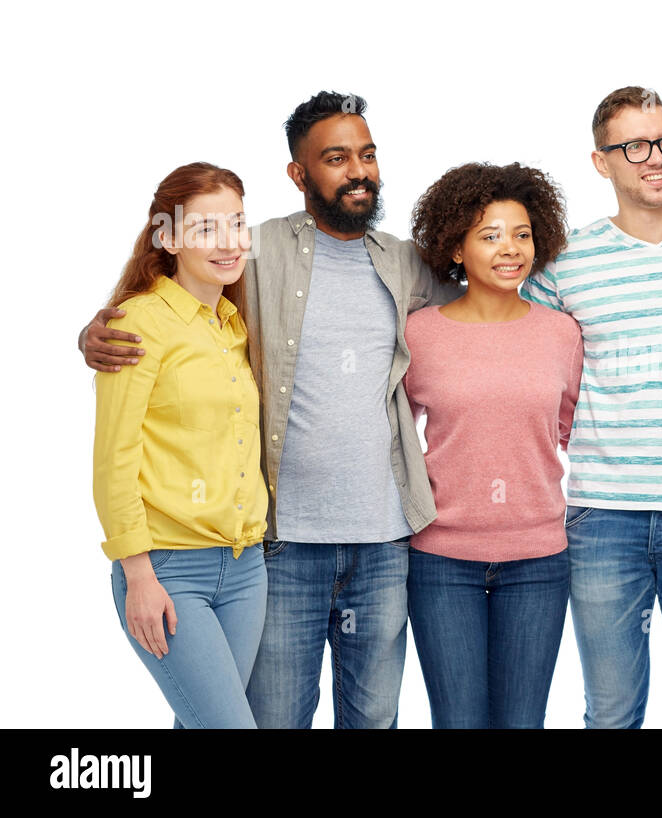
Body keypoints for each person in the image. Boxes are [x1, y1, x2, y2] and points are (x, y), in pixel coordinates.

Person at [80, 91, 463, 728]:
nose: (357, 170)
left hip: (379, 540)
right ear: (299, 172)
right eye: (336, 158)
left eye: (367, 154)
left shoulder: (402, 263)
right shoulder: (251, 252)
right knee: (266, 717)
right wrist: (95, 332)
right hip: (280, 544)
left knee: (373, 718)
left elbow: (484, 291)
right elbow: (163, 298)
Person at [519, 86, 662, 728]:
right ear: (602, 161)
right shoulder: (565, 261)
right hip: (602, 517)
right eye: (636, 145)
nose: (657, 158)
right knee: (612, 712)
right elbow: (528, 354)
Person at [403, 162, 582, 728]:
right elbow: (394, 439)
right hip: (440, 560)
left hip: (538, 559)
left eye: (522, 234)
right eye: (490, 235)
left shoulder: (561, 332)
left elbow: (565, 427)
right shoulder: (419, 332)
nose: (511, 249)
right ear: (456, 248)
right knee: (457, 721)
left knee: (521, 722)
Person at [93, 162, 268, 728]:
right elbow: (113, 459)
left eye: (238, 224)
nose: (229, 242)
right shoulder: (138, 324)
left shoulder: (231, 324)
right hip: (169, 570)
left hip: (246, 569)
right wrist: (139, 575)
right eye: (206, 228)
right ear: (167, 238)